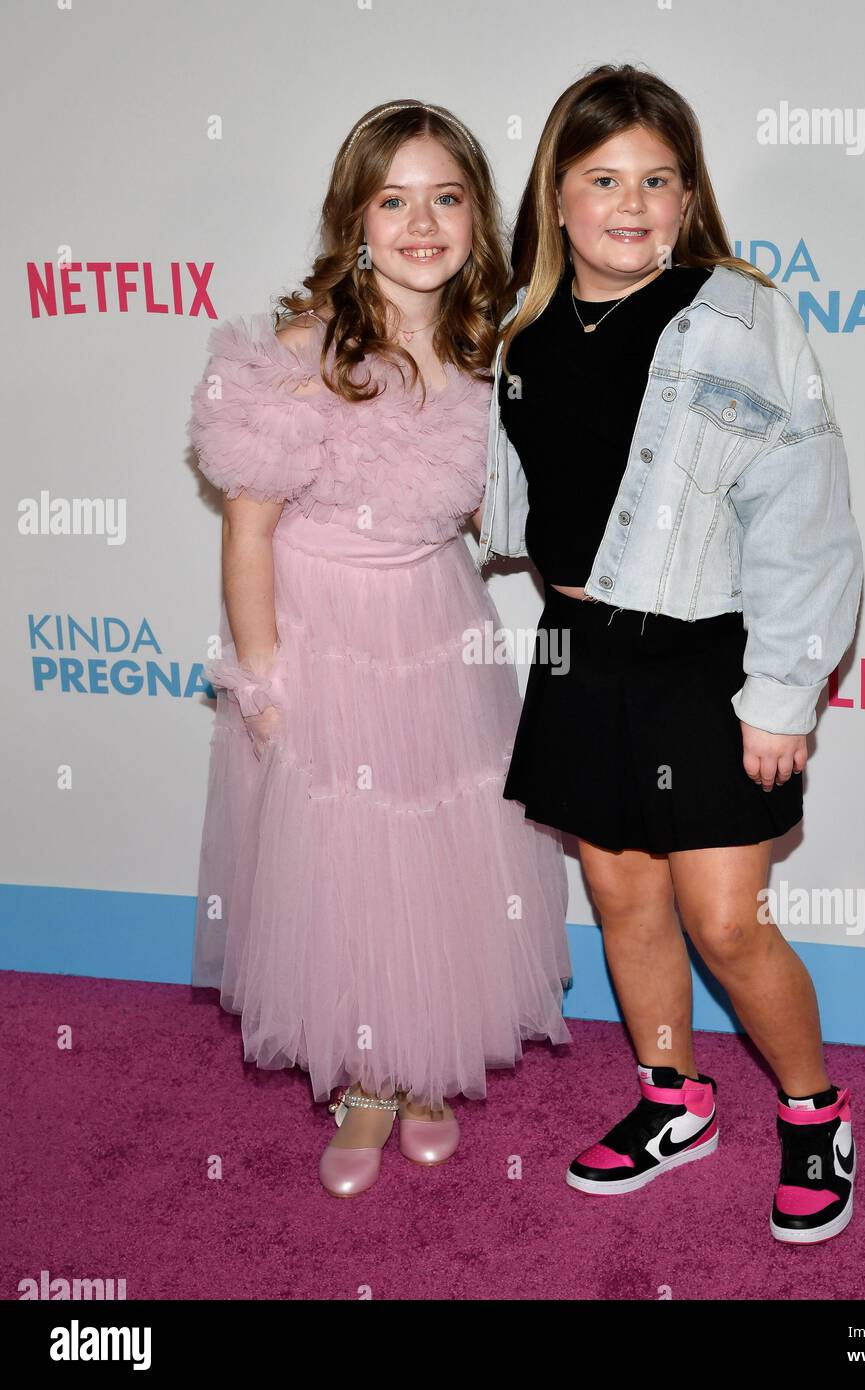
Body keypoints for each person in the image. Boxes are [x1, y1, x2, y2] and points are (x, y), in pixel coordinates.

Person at [476, 65, 863, 1244]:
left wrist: (784, 693)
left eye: (657, 178)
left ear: (689, 196)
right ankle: (672, 1099)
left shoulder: (743, 317)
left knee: (727, 921)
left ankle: (815, 1116)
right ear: (557, 195)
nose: (631, 202)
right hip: (580, 647)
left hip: (709, 658)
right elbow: (517, 499)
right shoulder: (524, 329)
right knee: (620, 893)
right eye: (603, 179)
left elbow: (807, 515)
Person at [188, 101, 572, 1199]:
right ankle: (364, 1077)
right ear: (356, 220)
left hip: (439, 627)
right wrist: (262, 680)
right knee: (348, 861)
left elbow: (532, 518)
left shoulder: (497, 354)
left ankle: (426, 1067)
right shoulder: (302, 357)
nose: (420, 222)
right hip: (323, 633)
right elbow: (248, 532)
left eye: (445, 197)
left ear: (477, 219)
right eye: (393, 198)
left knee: (448, 851)